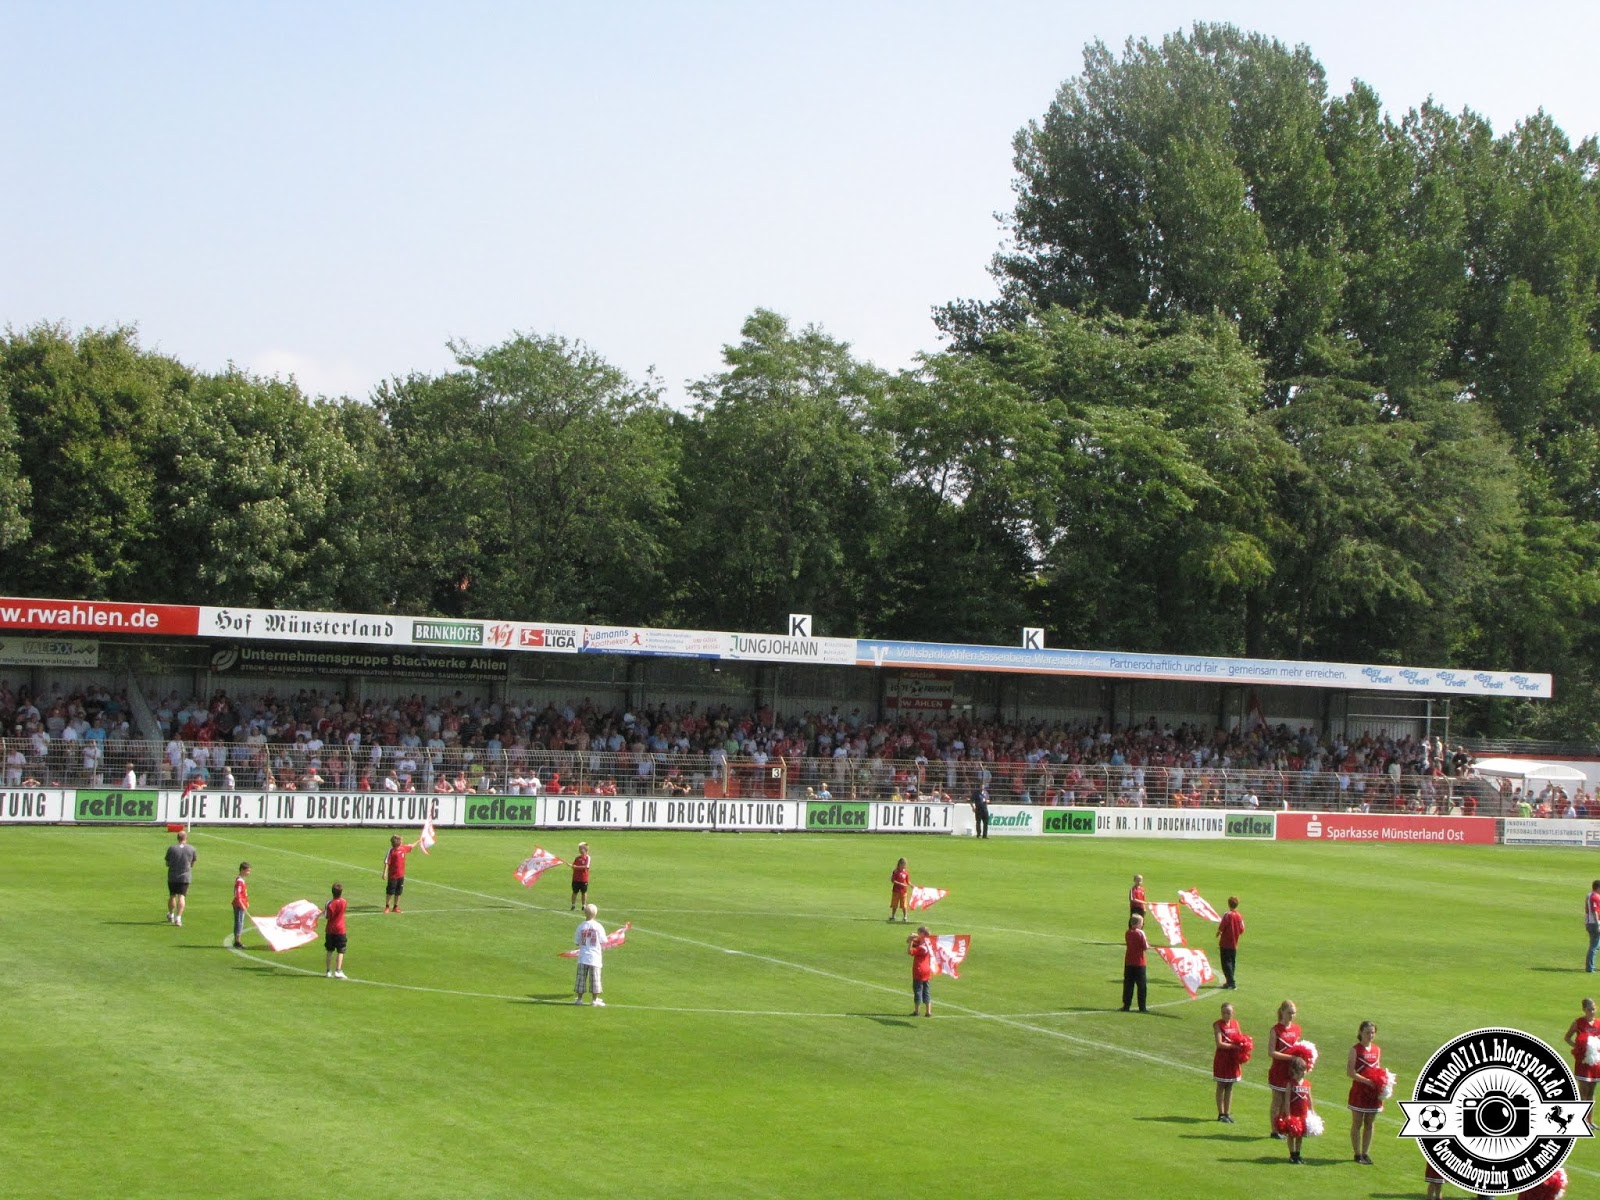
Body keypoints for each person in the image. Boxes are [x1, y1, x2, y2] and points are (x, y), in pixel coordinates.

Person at [1346, 1020, 1384, 1164]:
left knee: (1370, 1123)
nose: (1370, 1035)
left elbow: (1378, 1069)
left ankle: (1365, 1153)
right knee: (1357, 1122)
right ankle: (1357, 1154)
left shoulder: (1377, 1050)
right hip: (1360, 1091)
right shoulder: (1355, 1050)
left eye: (1373, 1032)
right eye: (1367, 1032)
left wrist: (1381, 1083)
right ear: (1360, 1033)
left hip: (1373, 1093)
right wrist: (1366, 1081)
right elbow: (1350, 1072)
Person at [1267, 999, 1302, 1137]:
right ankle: (1274, 1130)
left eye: (1293, 1013)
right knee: (1277, 1101)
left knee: (1287, 1101)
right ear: (1282, 1012)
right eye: (1289, 1013)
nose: (1291, 1016)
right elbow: (1271, 1052)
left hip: (1291, 1072)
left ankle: (1282, 1126)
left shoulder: (1297, 1029)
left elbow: (1299, 1047)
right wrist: (1291, 1058)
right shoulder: (1275, 1030)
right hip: (1279, 1070)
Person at [1563, 996, 1600, 1124]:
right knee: (1583, 1092)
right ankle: (1579, 1120)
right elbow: (1567, 1038)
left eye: (1594, 1009)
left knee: (1591, 1092)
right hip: (1582, 1062)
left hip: (1595, 1063)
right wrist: (1579, 1049)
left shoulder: (1599, 1023)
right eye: (1590, 1009)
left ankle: (1590, 1121)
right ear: (1584, 1010)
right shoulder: (1578, 1022)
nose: (1593, 1011)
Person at [1213, 1000, 1246, 1122]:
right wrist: (1234, 1046)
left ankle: (1227, 1112)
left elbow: (1241, 1038)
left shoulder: (1235, 1024)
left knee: (1230, 1086)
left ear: (1233, 1013)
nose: (1226, 1015)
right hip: (1222, 1058)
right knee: (1221, 1085)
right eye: (1224, 1013)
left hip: (1233, 1059)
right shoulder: (1218, 1024)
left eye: (1229, 1012)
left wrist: (1243, 1046)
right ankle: (1220, 1113)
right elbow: (1219, 1043)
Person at [1280, 1053, 1313, 1164]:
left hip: (1303, 1113)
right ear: (1294, 1071)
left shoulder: (1307, 1084)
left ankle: (1298, 1154)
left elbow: (1309, 1099)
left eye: (1304, 1070)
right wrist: (1288, 1115)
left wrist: (1312, 1111)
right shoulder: (1291, 1084)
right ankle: (1292, 1154)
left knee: (1300, 1136)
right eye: (1300, 1070)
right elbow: (1287, 1100)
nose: (1303, 1073)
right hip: (1293, 1113)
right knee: (1291, 1135)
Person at [573, 902, 606, 1006]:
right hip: (595, 957)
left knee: (581, 979)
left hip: (583, 956)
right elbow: (603, 940)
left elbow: (577, 941)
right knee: (595, 979)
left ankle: (579, 999)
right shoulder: (598, 926)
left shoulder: (581, 926)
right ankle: (594, 1000)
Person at [164, 829, 197, 926]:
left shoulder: (172, 848)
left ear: (177, 838)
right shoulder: (191, 849)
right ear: (186, 838)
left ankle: (171, 915)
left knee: (172, 895)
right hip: (185, 877)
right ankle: (178, 918)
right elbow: (193, 863)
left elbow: (167, 863)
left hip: (173, 876)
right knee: (182, 896)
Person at [1120, 914, 1149, 1013]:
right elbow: (1145, 946)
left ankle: (1126, 1005)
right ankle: (1142, 1007)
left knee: (1128, 984)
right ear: (1137, 924)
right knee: (1141, 986)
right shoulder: (1140, 933)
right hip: (1139, 963)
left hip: (1129, 961)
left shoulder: (1128, 933)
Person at [383, 834, 415, 914]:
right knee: (390, 891)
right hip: (393, 876)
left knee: (398, 892)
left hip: (401, 875)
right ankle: (387, 907)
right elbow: (387, 862)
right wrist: (384, 873)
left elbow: (411, 846)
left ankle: (395, 907)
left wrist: (419, 841)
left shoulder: (403, 848)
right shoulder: (391, 851)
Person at [1217, 895, 1244, 989]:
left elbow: (1222, 926)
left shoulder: (1227, 915)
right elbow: (1242, 929)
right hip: (1234, 943)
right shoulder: (1239, 916)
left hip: (1225, 942)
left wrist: (1219, 932)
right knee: (1232, 962)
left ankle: (1231, 983)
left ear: (1229, 904)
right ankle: (1229, 981)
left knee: (1226, 963)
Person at [908, 925, 934, 1017]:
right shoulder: (928, 943)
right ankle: (928, 1011)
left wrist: (911, 941)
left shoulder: (921, 947)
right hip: (927, 969)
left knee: (918, 990)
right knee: (926, 990)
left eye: (918, 933)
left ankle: (917, 1011)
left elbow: (910, 952)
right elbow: (915, 941)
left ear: (922, 934)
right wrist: (912, 938)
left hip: (919, 970)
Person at [324, 882, 348, 979]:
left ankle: (328, 971)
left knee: (329, 950)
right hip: (340, 929)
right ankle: (338, 970)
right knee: (341, 950)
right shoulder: (344, 902)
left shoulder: (329, 903)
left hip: (330, 929)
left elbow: (327, 916)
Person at [231, 862, 250, 949]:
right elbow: (237, 895)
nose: (248, 873)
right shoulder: (239, 881)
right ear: (242, 870)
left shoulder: (241, 880)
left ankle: (237, 940)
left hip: (241, 904)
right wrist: (242, 904)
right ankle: (237, 941)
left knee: (239, 922)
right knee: (239, 922)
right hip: (239, 905)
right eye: (247, 871)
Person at [570, 842, 591, 911]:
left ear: (585, 850)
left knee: (583, 892)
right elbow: (574, 866)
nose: (579, 850)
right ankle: (573, 905)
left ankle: (583, 905)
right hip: (576, 878)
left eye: (581, 848)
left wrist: (576, 867)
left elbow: (586, 867)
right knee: (574, 892)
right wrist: (572, 866)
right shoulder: (577, 858)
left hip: (583, 878)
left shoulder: (588, 857)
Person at [889, 858, 910, 923]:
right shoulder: (895, 871)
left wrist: (912, 885)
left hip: (904, 891)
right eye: (903, 864)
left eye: (905, 864)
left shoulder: (906, 872)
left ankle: (905, 917)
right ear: (900, 864)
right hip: (896, 890)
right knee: (895, 904)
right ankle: (893, 916)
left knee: (904, 905)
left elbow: (907, 881)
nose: (904, 866)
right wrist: (900, 884)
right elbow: (892, 880)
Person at [1585, 880, 1600, 972]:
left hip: (1590, 923)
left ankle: (1590, 966)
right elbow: (1595, 912)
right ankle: (1590, 968)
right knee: (1594, 946)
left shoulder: (1589, 895)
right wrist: (1598, 924)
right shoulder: (1595, 897)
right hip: (1595, 924)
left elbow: (1587, 910)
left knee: (1595, 945)